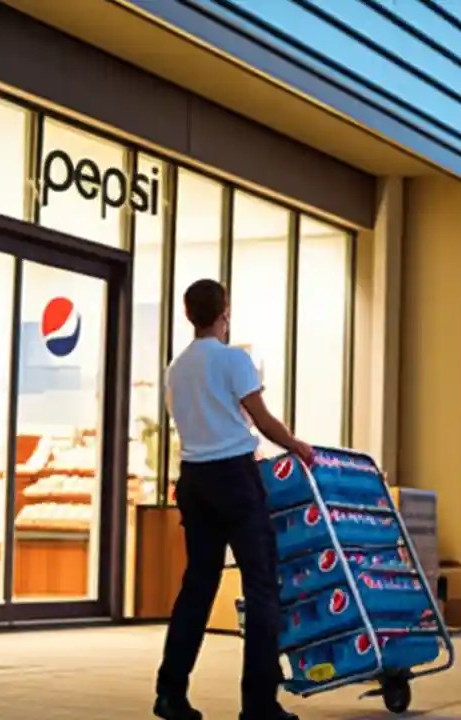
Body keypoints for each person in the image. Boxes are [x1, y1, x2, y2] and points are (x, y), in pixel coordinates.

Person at [154, 278, 314, 720]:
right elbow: (261, 420)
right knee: (262, 587)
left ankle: (170, 694)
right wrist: (298, 446)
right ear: (224, 312)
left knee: (198, 588)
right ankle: (259, 704)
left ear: (189, 315)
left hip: (194, 480)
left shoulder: (176, 368)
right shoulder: (233, 360)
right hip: (235, 479)